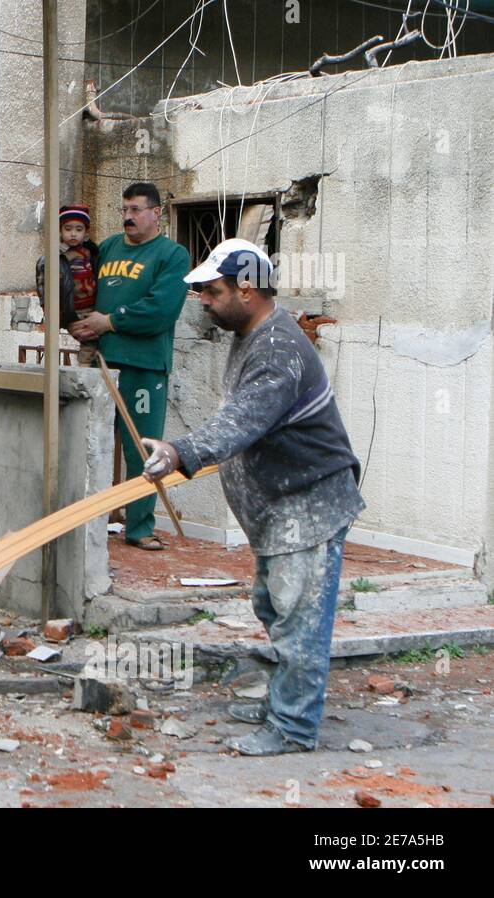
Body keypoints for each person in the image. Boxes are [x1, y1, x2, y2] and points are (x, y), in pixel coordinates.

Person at [141, 239, 365, 756]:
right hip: (282, 507)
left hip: (308, 502)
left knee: (299, 617)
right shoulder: (251, 335)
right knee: (273, 603)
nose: (201, 300)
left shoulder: (278, 349)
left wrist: (181, 452)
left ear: (248, 287)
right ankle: (284, 703)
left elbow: (241, 421)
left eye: (211, 291)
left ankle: (292, 727)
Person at [69, 182, 189, 551]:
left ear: (156, 213)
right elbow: (83, 288)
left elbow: (161, 309)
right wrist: (78, 321)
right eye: (124, 210)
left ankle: (139, 527)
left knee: (143, 449)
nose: (128, 217)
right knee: (88, 444)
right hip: (101, 360)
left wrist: (111, 321)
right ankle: (82, 521)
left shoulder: (172, 255)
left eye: (136, 210)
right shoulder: (106, 248)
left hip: (144, 364)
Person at [35, 203, 102, 365]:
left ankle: (93, 370)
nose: (73, 234)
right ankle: (83, 369)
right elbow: (43, 287)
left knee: (99, 342)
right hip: (72, 311)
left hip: (93, 308)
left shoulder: (91, 254)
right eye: (68, 229)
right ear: (60, 230)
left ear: (86, 233)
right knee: (88, 342)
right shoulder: (53, 257)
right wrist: (51, 313)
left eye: (79, 230)